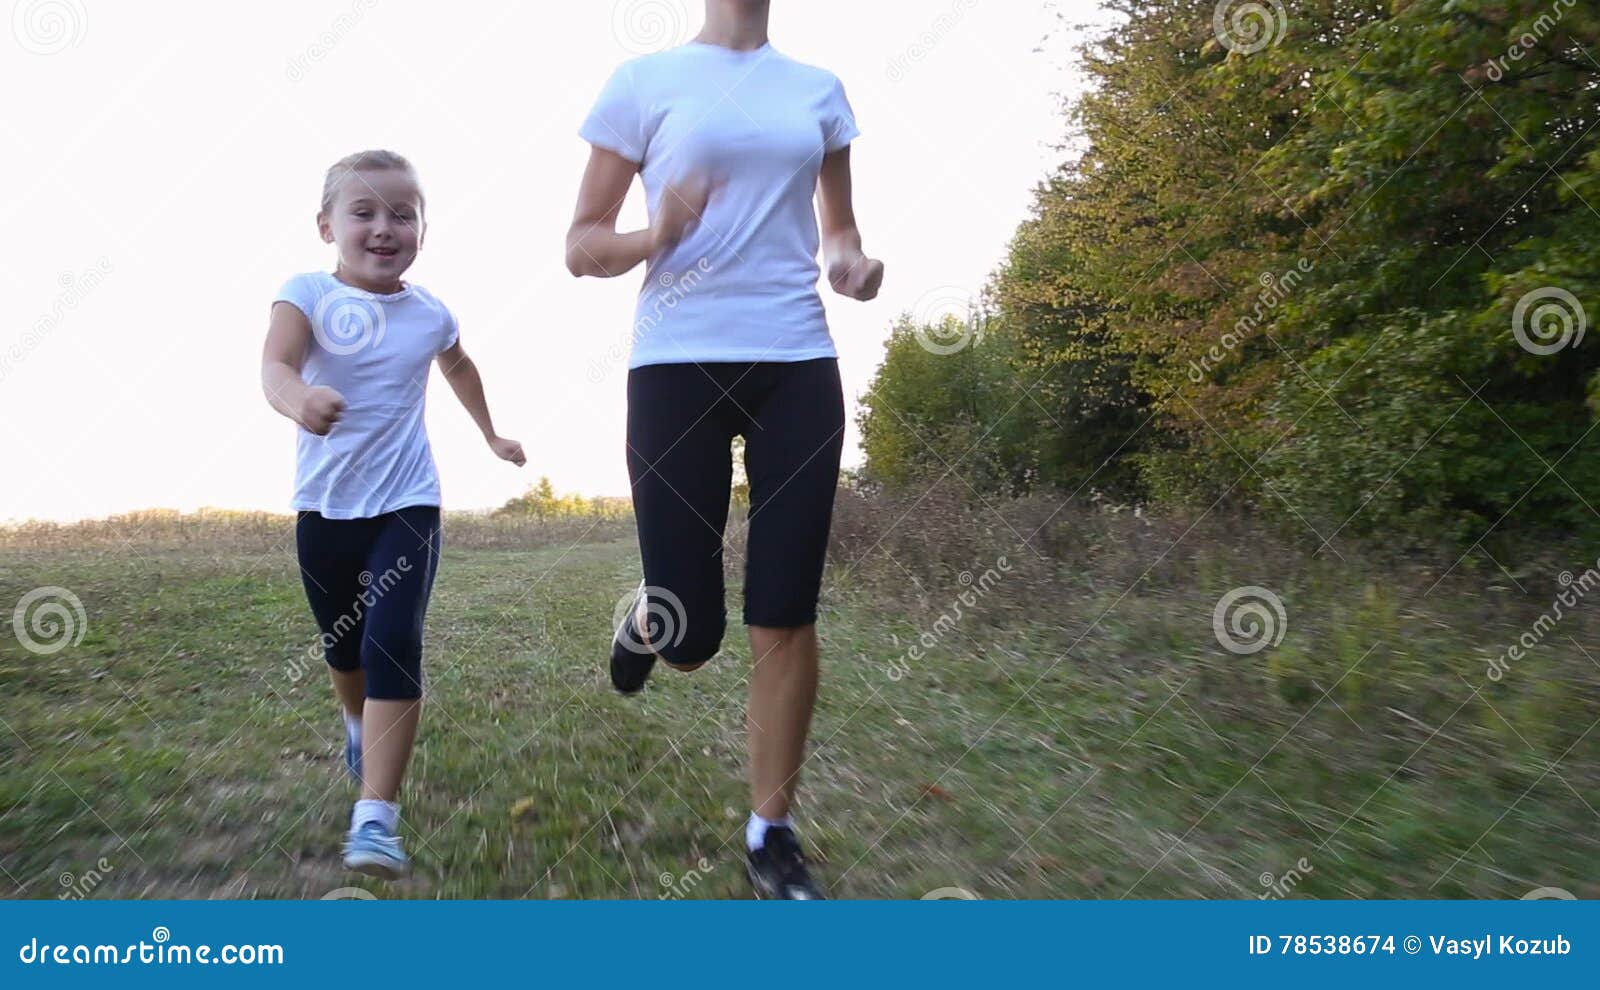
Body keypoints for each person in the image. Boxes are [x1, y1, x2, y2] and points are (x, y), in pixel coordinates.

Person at [567, 0, 884, 899]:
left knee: (784, 611)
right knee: (693, 636)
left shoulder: (819, 92)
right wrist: (653, 236)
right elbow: (580, 245)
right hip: (674, 364)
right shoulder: (644, 82)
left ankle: (770, 834)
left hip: (797, 361)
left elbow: (840, 231)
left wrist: (852, 265)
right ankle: (644, 622)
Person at [260, 149, 525, 878]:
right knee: (342, 649)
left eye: (401, 214)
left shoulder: (429, 312)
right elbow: (274, 366)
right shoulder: (306, 292)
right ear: (327, 226)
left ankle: (376, 817)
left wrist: (491, 435)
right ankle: (356, 722)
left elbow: (460, 365)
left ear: (422, 229)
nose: (384, 227)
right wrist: (297, 400)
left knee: (391, 640)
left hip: (408, 503)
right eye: (364, 212)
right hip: (324, 508)